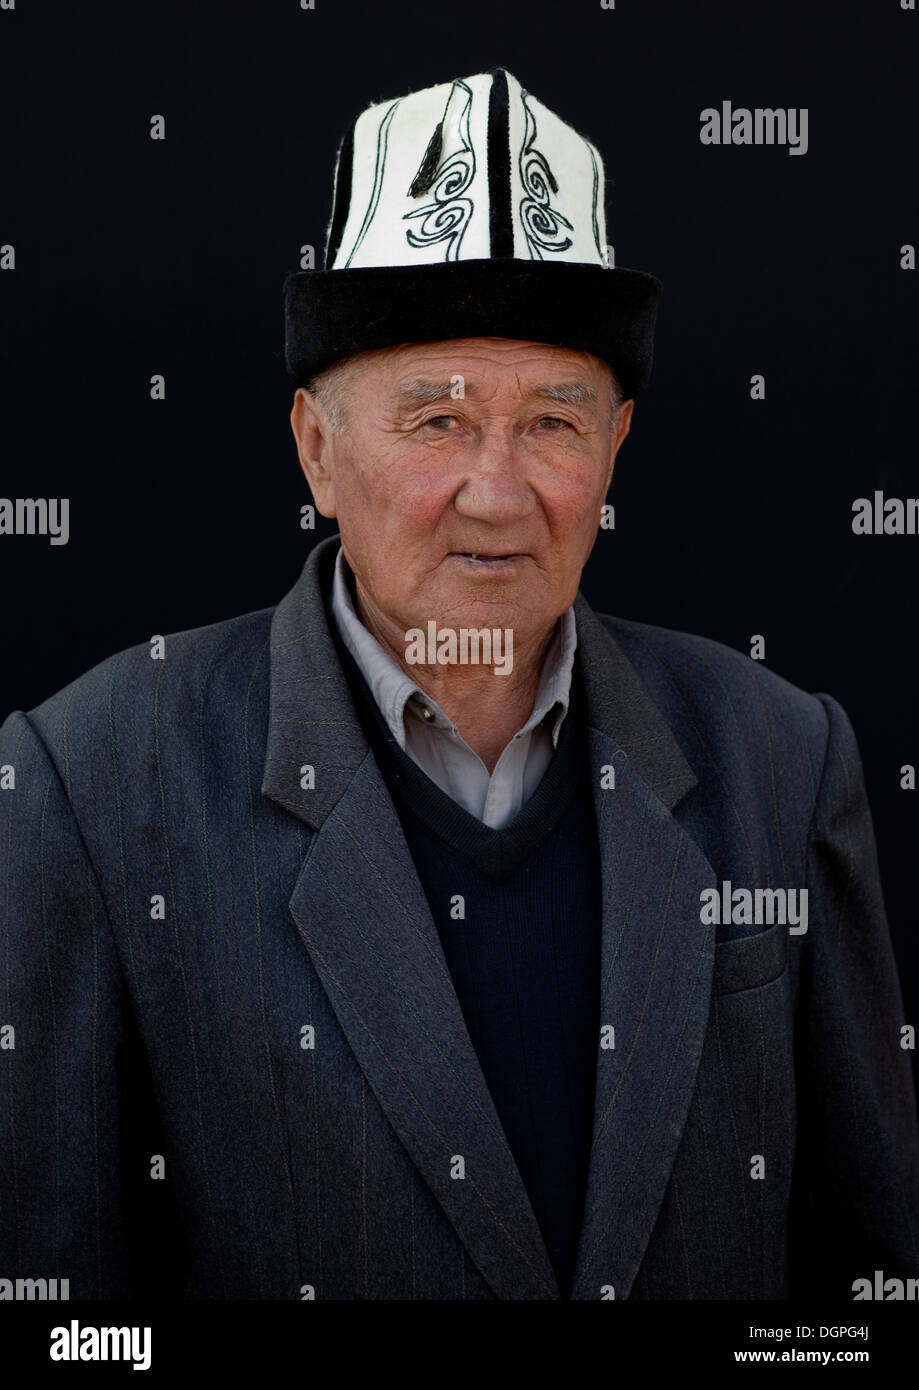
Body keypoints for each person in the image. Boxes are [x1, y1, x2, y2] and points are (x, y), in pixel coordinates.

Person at [1, 68, 916, 1301]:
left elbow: (867, 1293)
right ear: (317, 451)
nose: (495, 492)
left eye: (552, 419)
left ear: (616, 448)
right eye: (433, 419)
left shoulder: (781, 758)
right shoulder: (94, 786)